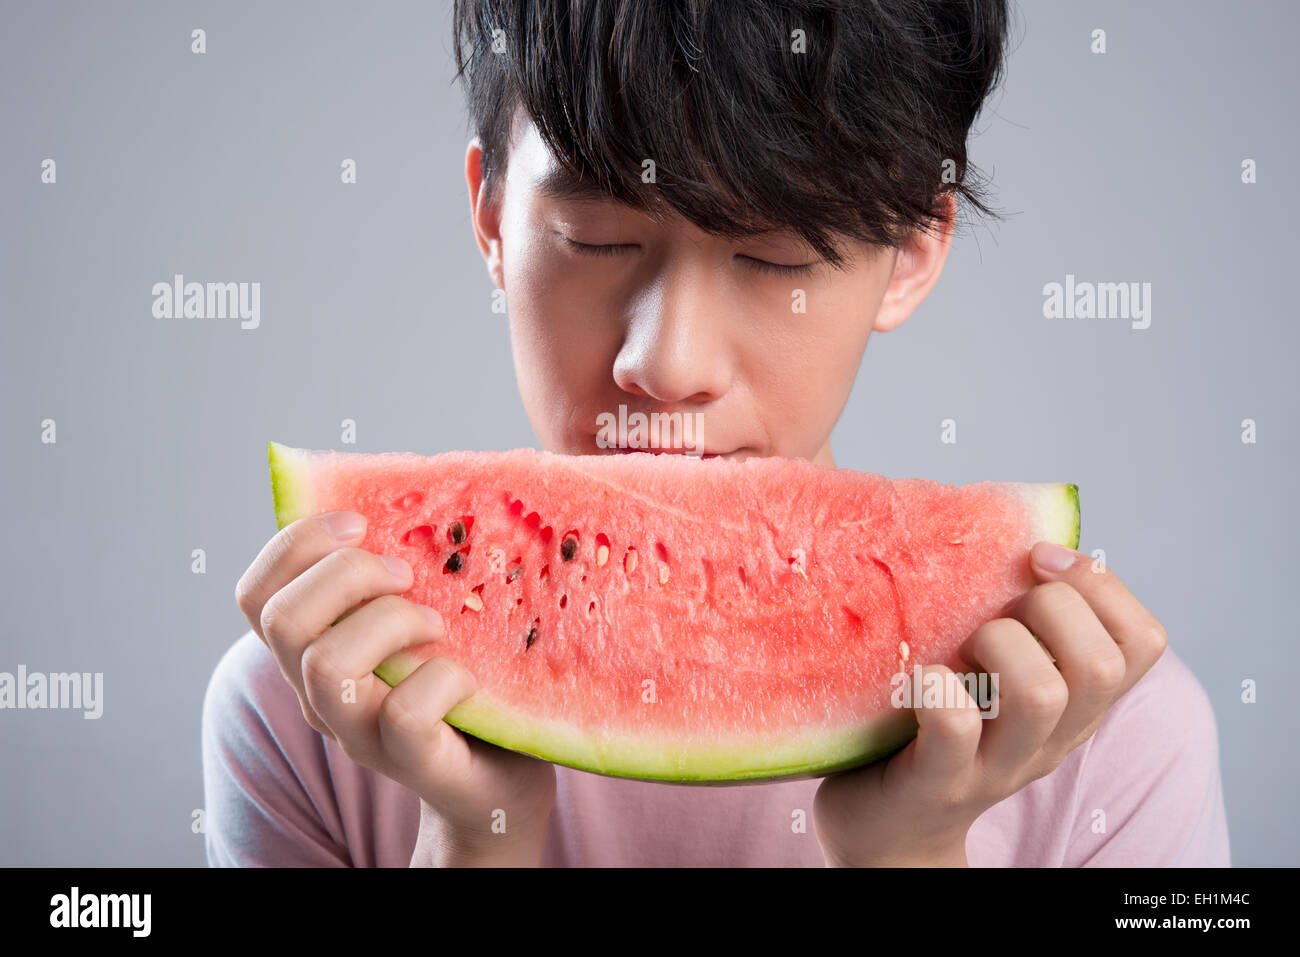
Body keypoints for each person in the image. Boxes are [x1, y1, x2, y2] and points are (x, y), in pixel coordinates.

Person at [203, 0, 1229, 866]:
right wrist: (478, 846)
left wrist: (908, 858)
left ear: (913, 251)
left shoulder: (1108, 733)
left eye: (775, 260)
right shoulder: (305, 708)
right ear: (490, 218)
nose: (668, 362)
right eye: (596, 239)